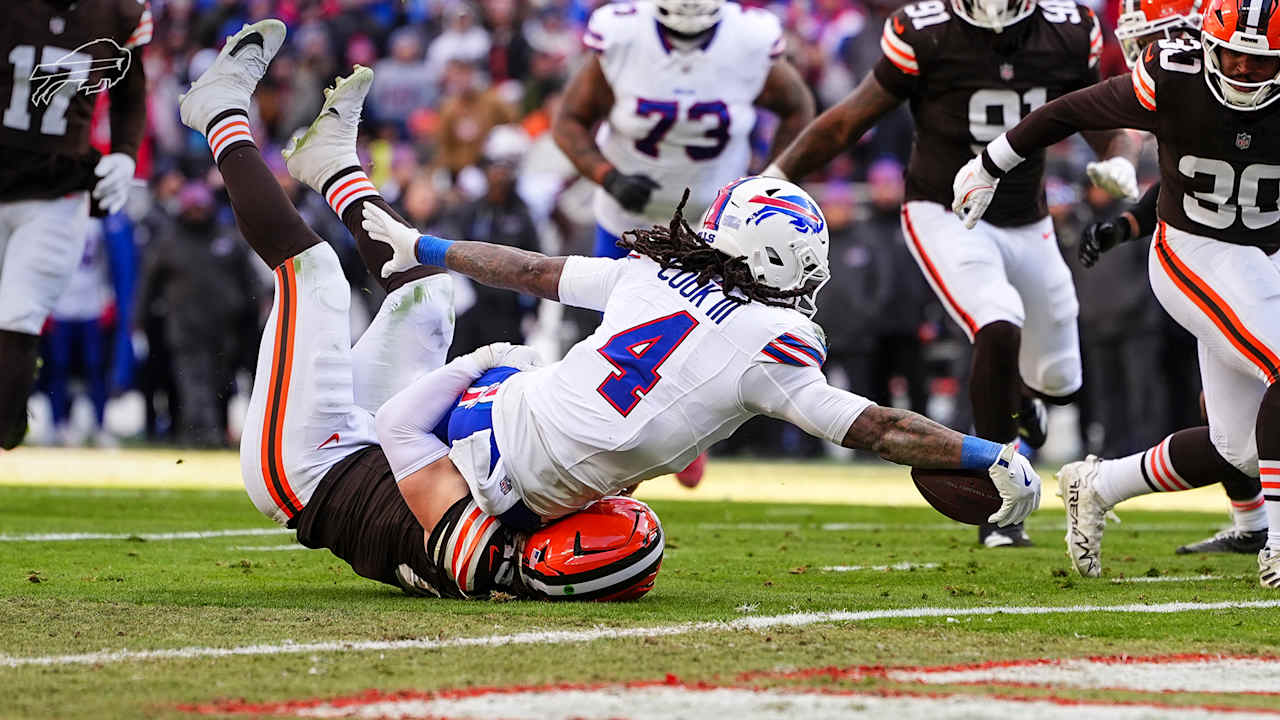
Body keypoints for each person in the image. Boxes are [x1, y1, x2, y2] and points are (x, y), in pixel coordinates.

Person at [181, 22, 663, 602]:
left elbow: (403, 425)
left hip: (307, 465)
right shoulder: (519, 547)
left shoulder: (481, 550)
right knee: (429, 300)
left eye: (595, 513)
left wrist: (487, 359)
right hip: (370, 452)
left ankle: (218, 114)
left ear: (568, 548)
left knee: (315, 277)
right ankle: (335, 169)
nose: (595, 500)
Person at [763, 0, 1136, 548]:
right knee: (997, 320)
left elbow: (1100, 116)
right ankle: (1000, 507)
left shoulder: (1067, 27)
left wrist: (1121, 156)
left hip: (1026, 219)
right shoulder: (926, 31)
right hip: (945, 211)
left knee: (1060, 382)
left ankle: (1023, 397)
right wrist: (774, 177)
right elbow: (848, 120)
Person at [951, 0, 1280, 586]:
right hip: (1196, 253)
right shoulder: (1174, 79)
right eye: (1235, 57)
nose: (1245, 73)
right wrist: (992, 163)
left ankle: (1098, 485)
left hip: (1264, 257)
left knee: (1242, 449)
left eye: (1261, 63)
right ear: (1207, 42)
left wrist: (1128, 221)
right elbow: (1068, 111)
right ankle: (1275, 543)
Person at [551, 0, 815, 486]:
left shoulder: (748, 38)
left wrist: (765, 182)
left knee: (716, 335)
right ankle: (604, 458)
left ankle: (690, 438)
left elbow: (798, 109)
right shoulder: (623, 34)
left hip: (716, 226)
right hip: (627, 220)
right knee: (615, 339)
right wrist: (607, 177)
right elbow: (567, 120)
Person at [1072, 0, 1266, 557]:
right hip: (1234, 259)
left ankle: (1111, 485)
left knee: (1242, 429)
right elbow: (1199, 182)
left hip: (1256, 250)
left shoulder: (1243, 75)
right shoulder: (1199, 86)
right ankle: (1256, 525)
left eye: (1158, 36)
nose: (1147, 54)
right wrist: (1130, 224)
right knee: (1237, 427)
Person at [0, 0, 151, 449]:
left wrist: (125, 153)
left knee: (19, 316)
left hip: (56, 189)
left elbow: (130, 93)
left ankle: (6, 427)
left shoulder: (117, 12)